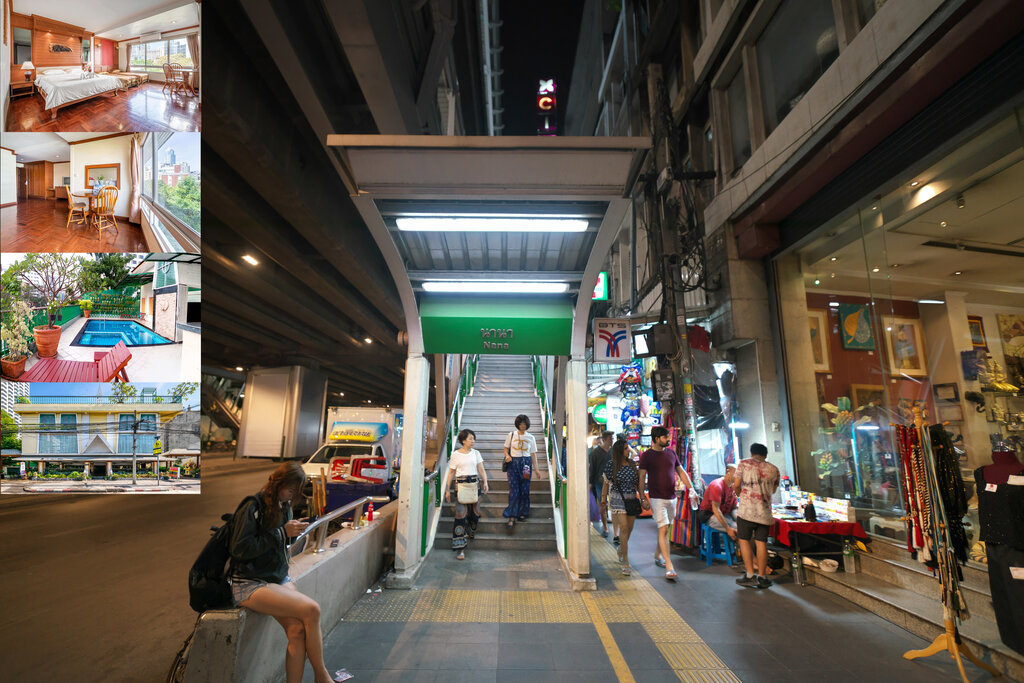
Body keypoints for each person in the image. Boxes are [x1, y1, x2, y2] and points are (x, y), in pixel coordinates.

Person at [228, 461, 343, 683]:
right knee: (312, 609)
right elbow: (240, 548)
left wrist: (291, 533)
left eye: (295, 491)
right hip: (249, 583)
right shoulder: (253, 506)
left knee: (297, 631)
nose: (292, 495)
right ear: (278, 483)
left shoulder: (284, 505)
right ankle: (322, 676)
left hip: (276, 577)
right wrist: (282, 532)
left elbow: (275, 542)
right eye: (290, 489)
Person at [638, 426, 694, 581]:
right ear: (656, 439)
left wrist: (692, 490)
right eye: (665, 437)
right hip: (657, 498)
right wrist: (642, 497)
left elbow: (681, 472)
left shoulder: (671, 453)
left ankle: (657, 554)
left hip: (672, 497)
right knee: (663, 529)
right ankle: (669, 566)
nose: (668, 440)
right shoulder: (647, 456)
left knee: (665, 528)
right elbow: (641, 477)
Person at [733, 443, 781, 589]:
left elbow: (736, 485)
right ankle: (762, 577)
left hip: (746, 511)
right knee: (762, 543)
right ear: (765, 455)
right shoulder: (774, 469)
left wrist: (741, 495)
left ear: (751, 452)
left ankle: (749, 575)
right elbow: (773, 490)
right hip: (764, 512)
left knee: (744, 541)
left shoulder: (744, 464)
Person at [443, 428, 489, 560]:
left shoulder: (476, 453)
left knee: (475, 515)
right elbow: (451, 473)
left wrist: (485, 482)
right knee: (460, 516)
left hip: (475, 486)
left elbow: (481, 468)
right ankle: (460, 548)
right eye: (470, 439)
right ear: (463, 440)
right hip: (460, 487)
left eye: (473, 438)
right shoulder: (455, 455)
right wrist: (447, 489)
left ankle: (470, 530)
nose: (473, 441)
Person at [601, 438, 641, 575]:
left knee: (629, 529)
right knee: (623, 527)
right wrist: (602, 501)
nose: (628, 450)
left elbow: (636, 483)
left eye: (627, 447)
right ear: (619, 451)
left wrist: (642, 498)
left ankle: (621, 550)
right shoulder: (611, 465)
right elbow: (606, 484)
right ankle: (625, 560)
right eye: (625, 448)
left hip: (631, 499)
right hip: (617, 499)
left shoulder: (631, 463)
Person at [503, 413, 542, 530]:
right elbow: (505, 449)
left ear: (527, 425)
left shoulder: (531, 437)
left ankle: (523, 512)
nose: (522, 426)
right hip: (513, 464)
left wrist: (537, 469)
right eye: (520, 424)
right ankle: (511, 516)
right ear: (517, 424)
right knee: (514, 491)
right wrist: (507, 455)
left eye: (524, 424)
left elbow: (533, 454)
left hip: (526, 464)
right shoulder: (511, 435)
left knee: (525, 490)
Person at [698, 465, 738, 539]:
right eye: (736, 473)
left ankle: (739, 549)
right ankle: (739, 550)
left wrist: (739, 520)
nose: (739, 476)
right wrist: (728, 528)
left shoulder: (734, 487)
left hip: (723, 513)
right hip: (708, 515)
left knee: (744, 528)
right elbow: (716, 509)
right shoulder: (717, 485)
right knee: (737, 530)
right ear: (728, 472)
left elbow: (734, 508)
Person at [588, 431, 614, 536]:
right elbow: (592, 469)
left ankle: (614, 528)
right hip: (600, 482)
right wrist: (591, 482)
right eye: (611, 439)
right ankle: (605, 527)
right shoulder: (595, 453)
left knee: (614, 504)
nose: (612, 440)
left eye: (613, 438)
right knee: (603, 503)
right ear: (605, 439)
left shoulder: (614, 451)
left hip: (613, 482)